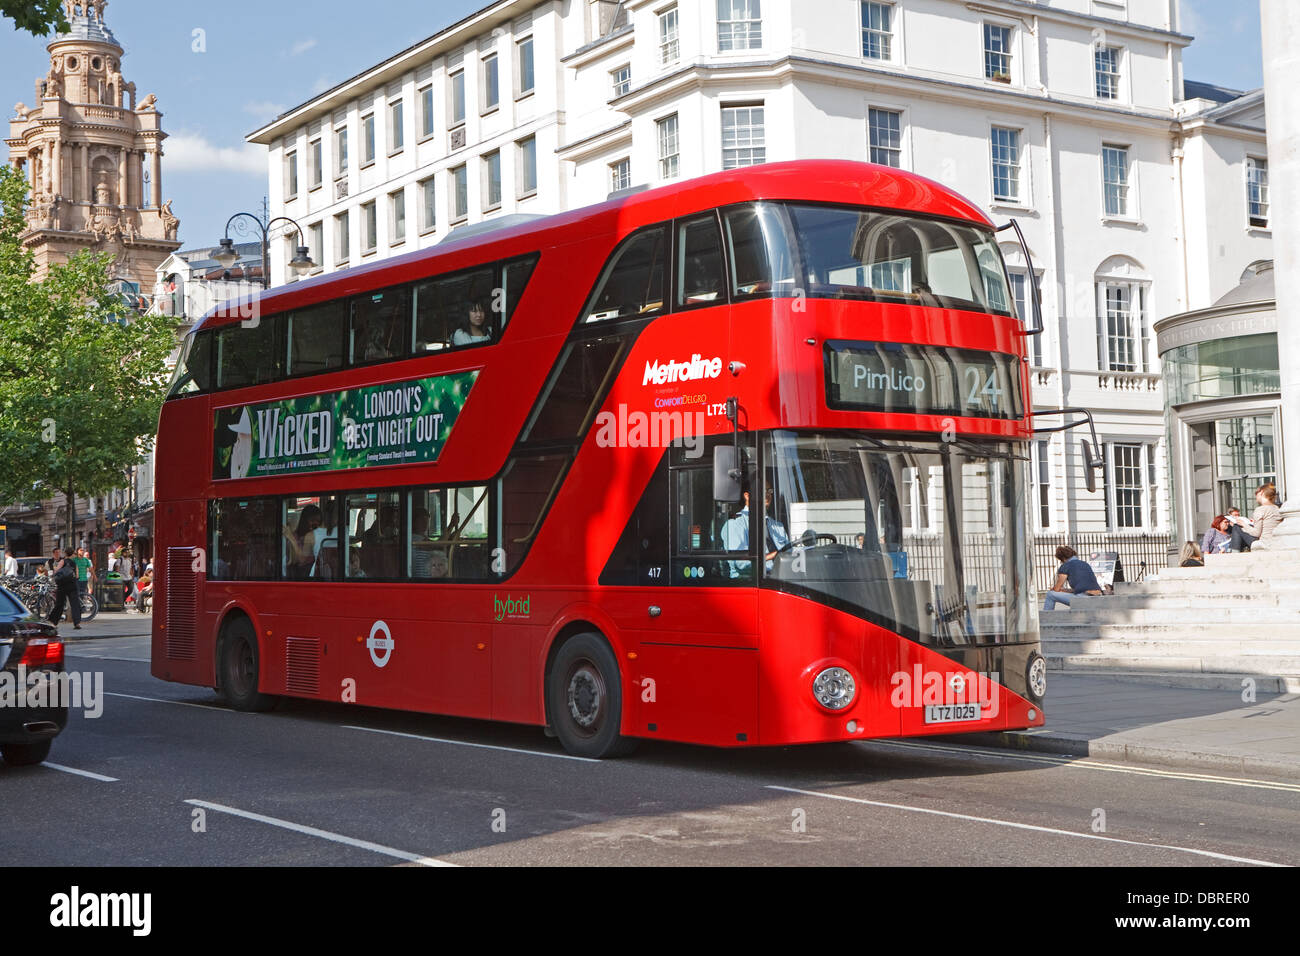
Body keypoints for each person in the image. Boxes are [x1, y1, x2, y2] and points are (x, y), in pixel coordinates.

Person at [1226, 483, 1285, 552]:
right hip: (1276, 542)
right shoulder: (1277, 508)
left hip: (1264, 543)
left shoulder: (1260, 509)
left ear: (1262, 492)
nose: (1255, 496)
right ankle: (1233, 551)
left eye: (1256, 493)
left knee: (1237, 526)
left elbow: (1256, 533)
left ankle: (1233, 552)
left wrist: (1243, 524)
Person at [1042, 545, 1103, 611]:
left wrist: (1055, 588)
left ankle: (1046, 616)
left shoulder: (1065, 566)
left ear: (1063, 558)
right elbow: (1082, 588)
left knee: (1050, 594)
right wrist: (1064, 590)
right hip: (1097, 597)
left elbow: (1056, 589)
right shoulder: (1085, 564)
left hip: (1083, 599)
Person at [283, 504, 322, 579]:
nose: (315, 524)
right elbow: (300, 560)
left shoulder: (317, 535)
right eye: (312, 520)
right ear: (305, 521)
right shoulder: (294, 536)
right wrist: (291, 538)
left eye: (318, 521)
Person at [46, 548, 82, 630]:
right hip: (72, 586)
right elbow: (77, 576)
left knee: (59, 604)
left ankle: (54, 622)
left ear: (65, 554)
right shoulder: (74, 563)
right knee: (75, 604)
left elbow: (56, 571)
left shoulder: (63, 561)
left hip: (62, 586)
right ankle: (77, 623)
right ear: (72, 554)